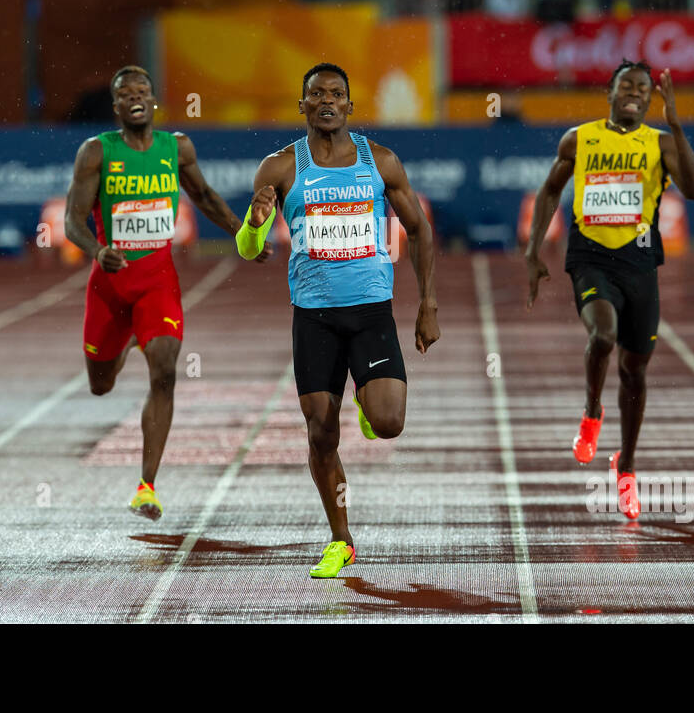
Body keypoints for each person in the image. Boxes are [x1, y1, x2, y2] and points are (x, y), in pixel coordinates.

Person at [236, 62, 439, 578]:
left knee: (389, 423)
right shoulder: (280, 168)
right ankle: (341, 539)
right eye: (316, 94)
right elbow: (248, 248)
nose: (327, 101)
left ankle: (368, 400)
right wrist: (256, 227)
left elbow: (418, 230)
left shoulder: (381, 162)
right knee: (321, 435)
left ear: (350, 105)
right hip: (314, 319)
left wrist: (428, 304)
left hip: (371, 312)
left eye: (337, 94)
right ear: (301, 104)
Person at [63, 65, 272, 519]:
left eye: (143, 90)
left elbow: (205, 195)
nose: (135, 97)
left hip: (157, 282)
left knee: (165, 367)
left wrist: (243, 234)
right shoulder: (96, 153)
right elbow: (72, 221)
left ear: (153, 100)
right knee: (101, 386)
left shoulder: (176, 148)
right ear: (116, 106)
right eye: (125, 93)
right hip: (110, 286)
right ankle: (123, 345)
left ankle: (147, 485)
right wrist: (98, 251)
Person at [524, 60, 694, 520]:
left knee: (635, 371)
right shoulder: (579, 139)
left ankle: (625, 466)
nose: (636, 94)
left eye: (644, 89)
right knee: (602, 335)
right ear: (609, 90)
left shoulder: (659, 143)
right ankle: (590, 411)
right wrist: (533, 251)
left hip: (640, 264)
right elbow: (548, 191)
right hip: (590, 260)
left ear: (651, 98)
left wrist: (677, 125)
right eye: (627, 85)